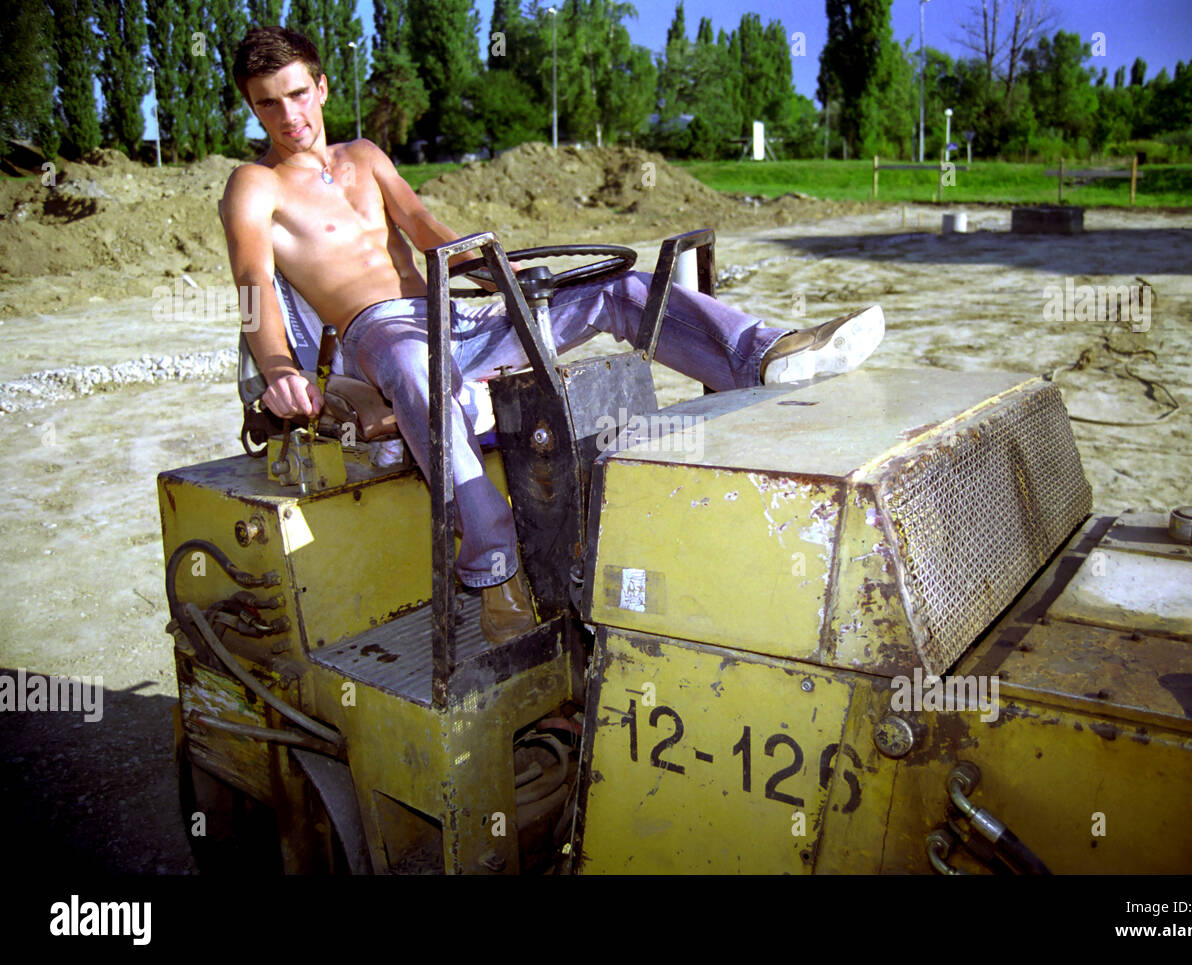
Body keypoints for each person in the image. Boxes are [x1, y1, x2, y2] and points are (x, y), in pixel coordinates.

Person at [224, 26, 884, 644]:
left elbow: (423, 226)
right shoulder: (255, 186)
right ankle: (493, 567)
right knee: (417, 368)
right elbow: (254, 281)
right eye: (268, 105)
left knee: (612, 288)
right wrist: (281, 367)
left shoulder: (365, 157)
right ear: (253, 110)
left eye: (298, 94)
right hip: (383, 335)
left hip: (456, 312)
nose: (289, 116)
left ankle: (762, 357)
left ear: (323, 86)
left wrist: (491, 264)